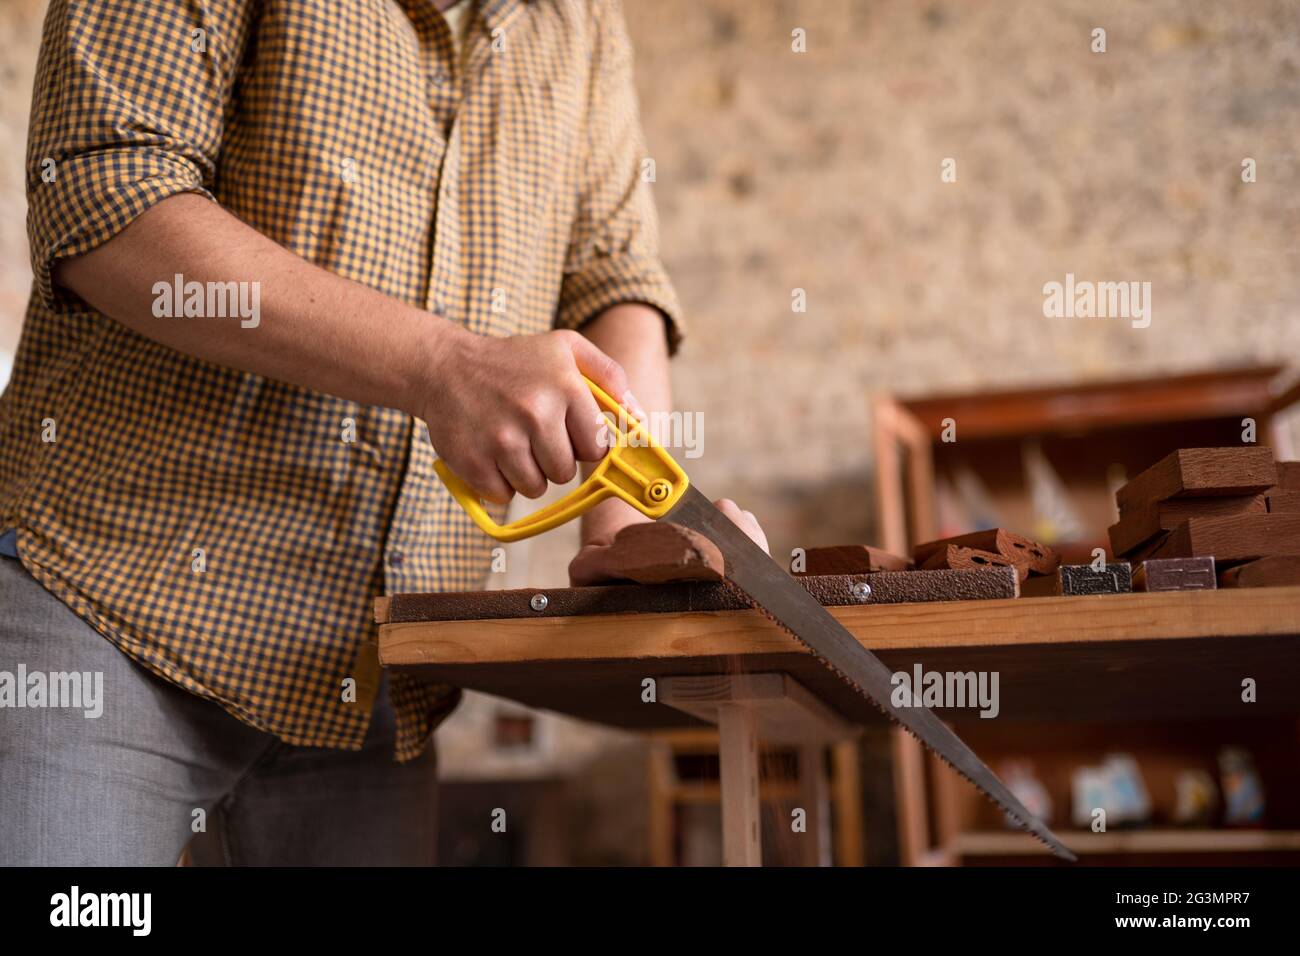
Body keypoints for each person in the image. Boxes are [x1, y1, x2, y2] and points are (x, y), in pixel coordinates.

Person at [0, 0, 765, 865]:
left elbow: (615, 277)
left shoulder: (582, 25)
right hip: (111, 614)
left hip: (373, 676)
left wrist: (630, 533)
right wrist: (444, 366)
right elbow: (105, 191)